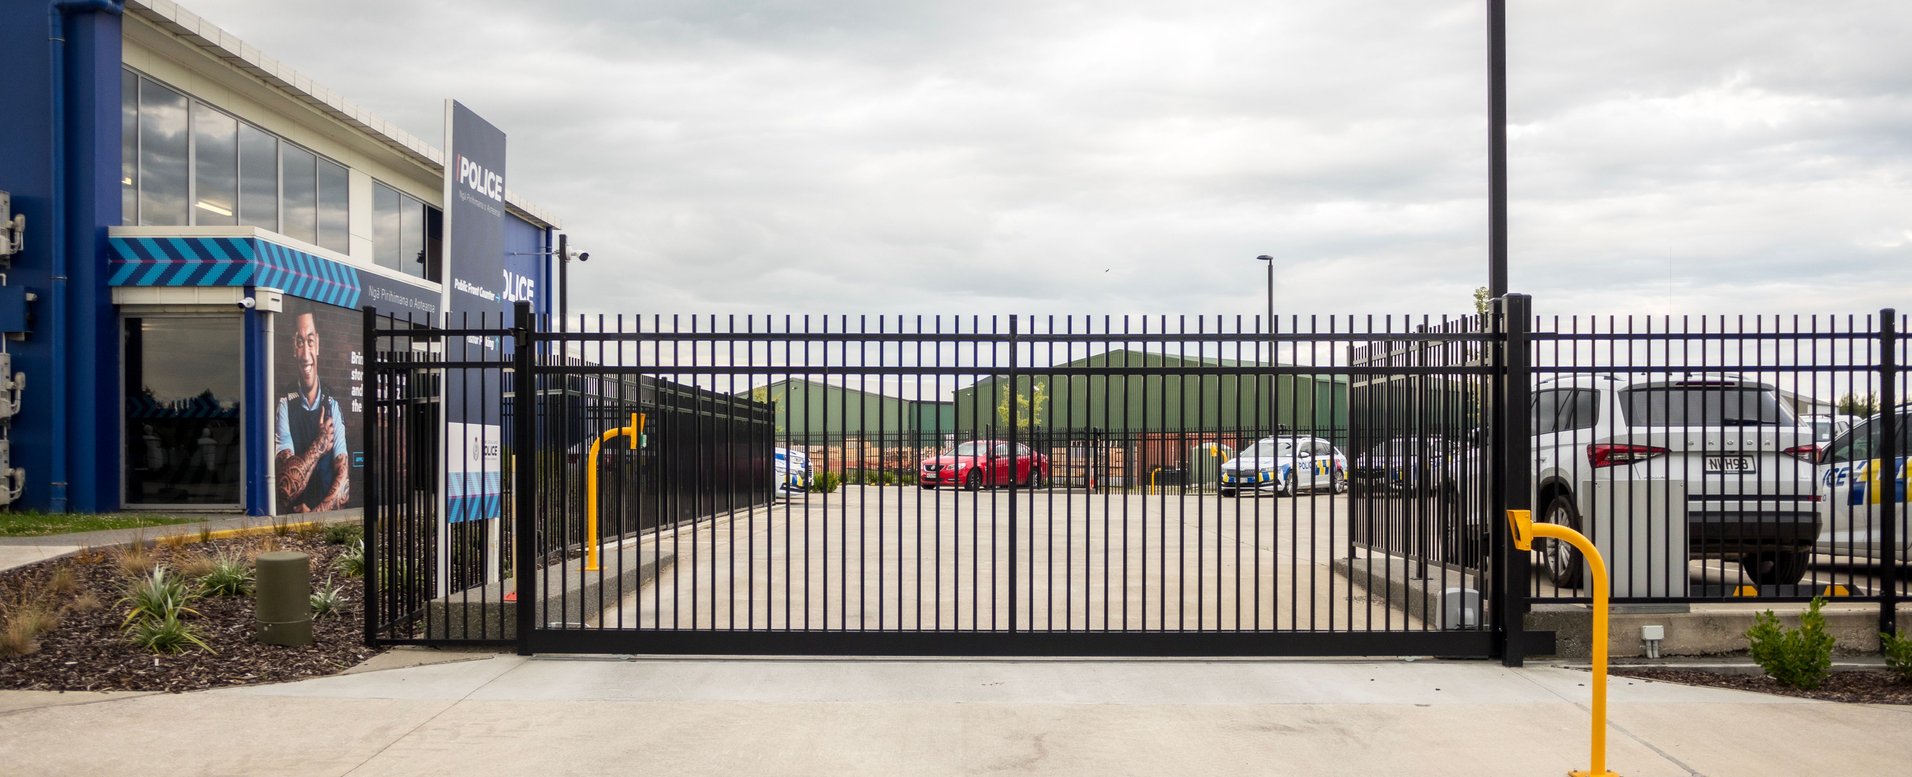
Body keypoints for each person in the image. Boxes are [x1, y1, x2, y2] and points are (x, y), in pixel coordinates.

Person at [276, 312, 350, 512]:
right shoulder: (285, 405)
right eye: (300, 343)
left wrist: (315, 516)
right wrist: (320, 445)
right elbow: (286, 489)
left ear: (317, 343)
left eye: (310, 341)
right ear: (294, 347)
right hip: (289, 520)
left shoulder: (332, 404)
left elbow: (344, 482)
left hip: (322, 519)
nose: (306, 354)